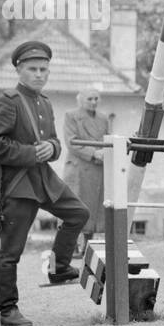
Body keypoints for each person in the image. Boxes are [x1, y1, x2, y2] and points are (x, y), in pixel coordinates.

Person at [0, 40, 90, 326]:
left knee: (78, 214)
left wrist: (51, 149)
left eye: (44, 69)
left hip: (43, 179)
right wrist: (28, 153)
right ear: (19, 70)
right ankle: (8, 311)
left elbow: (54, 140)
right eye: (33, 69)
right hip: (18, 184)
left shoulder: (44, 102)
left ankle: (59, 267)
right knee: (11, 252)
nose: (40, 74)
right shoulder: (8, 102)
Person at [63, 85, 109, 257]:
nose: (93, 102)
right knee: (74, 206)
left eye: (96, 98)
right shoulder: (71, 116)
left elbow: (108, 139)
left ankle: (87, 246)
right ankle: (70, 246)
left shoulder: (104, 118)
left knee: (93, 207)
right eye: (90, 99)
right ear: (81, 100)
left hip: (97, 169)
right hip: (78, 170)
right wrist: (93, 153)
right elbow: (71, 142)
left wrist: (105, 152)